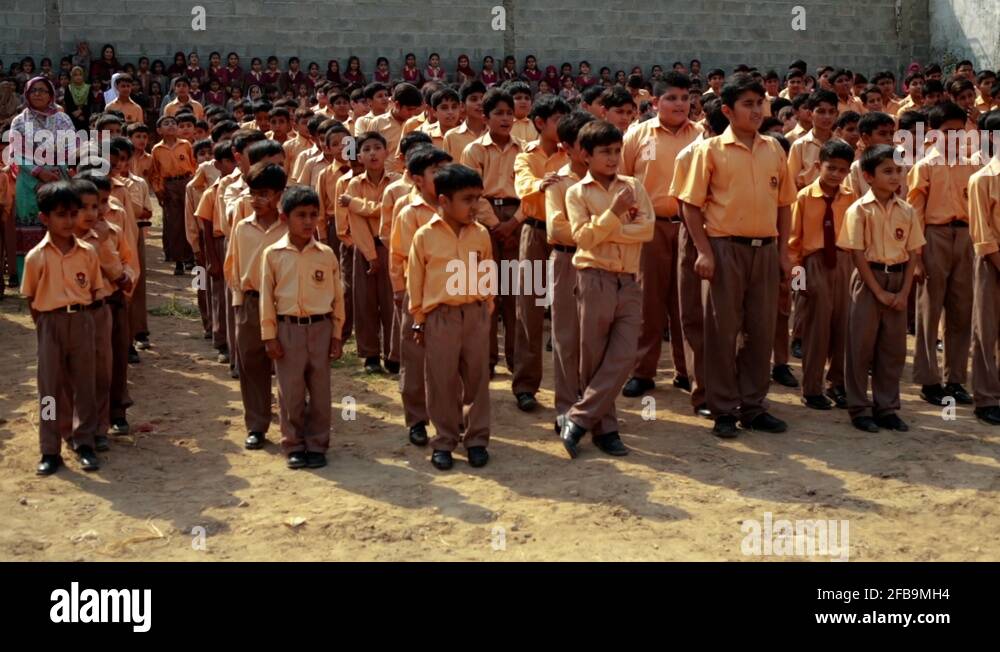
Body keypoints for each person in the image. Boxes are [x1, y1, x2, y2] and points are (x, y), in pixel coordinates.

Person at [677, 73, 797, 438]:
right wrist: (703, 251)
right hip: (724, 247)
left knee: (760, 331)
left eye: (760, 102)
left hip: (765, 249)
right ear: (727, 110)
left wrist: (785, 252)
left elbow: (785, 204)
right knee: (721, 331)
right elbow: (690, 205)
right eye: (747, 104)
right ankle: (722, 407)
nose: (757, 109)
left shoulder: (775, 148)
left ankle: (754, 406)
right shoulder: (708, 151)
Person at [559, 120, 654, 458]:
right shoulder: (576, 192)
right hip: (593, 276)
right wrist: (615, 214)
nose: (613, 158)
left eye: (617, 151)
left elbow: (647, 231)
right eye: (605, 152)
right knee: (594, 357)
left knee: (625, 354)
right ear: (586, 155)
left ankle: (579, 418)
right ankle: (606, 429)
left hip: (628, 278)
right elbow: (581, 238)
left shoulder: (633, 186)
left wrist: (605, 229)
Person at [620, 72, 702, 399]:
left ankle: (687, 372)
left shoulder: (701, 136)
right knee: (648, 303)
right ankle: (643, 371)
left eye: (685, 98)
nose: (680, 104)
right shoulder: (637, 135)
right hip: (650, 228)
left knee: (687, 302)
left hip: (690, 228)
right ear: (654, 102)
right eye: (671, 98)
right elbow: (623, 180)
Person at [407, 164, 494, 470]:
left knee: (477, 379)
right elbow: (414, 281)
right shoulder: (424, 236)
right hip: (439, 317)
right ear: (444, 201)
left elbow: (488, 272)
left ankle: (477, 439)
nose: (475, 206)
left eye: (478, 199)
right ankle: (444, 440)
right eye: (467, 199)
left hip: (475, 314)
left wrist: (486, 311)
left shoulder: (481, 234)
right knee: (441, 380)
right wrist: (419, 317)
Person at [838, 144, 924, 432]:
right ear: (868, 176)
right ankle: (859, 407)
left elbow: (914, 253)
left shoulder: (907, 211)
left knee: (892, 349)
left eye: (898, 171)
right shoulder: (858, 210)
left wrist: (903, 292)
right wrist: (878, 291)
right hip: (869, 280)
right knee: (860, 346)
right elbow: (857, 254)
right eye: (887, 171)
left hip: (898, 280)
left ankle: (887, 407)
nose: (895, 176)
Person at [21, 181, 104, 475]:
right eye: (60, 215)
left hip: (81, 321)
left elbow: (94, 290)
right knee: (49, 391)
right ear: (45, 218)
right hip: (50, 323)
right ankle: (50, 448)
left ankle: (85, 443)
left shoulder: (87, 253)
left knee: (84, 384)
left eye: (72, 213)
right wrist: (45, 326)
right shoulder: (36, 257)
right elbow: (31, 298)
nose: (69, 221)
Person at [260, 186, 345, 469]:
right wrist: (269, 335)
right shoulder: (273, 254)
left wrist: (336, 333)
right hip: (288, 329)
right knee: (291, 391)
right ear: (284, 218)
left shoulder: (326, 255)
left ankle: (318, 444)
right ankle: (294, 444)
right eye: (301, 215)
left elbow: (338, 298)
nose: (308, 222)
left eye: (313, 215)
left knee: (320, 391)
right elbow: (267, 298)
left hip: (320, 327)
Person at [908, 101, 980, 407]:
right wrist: (917, 257)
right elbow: (914, 214)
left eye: (958, 131)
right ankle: (929, 379)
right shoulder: (924, 167)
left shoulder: (972, 166)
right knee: (930, 309)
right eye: (947, 132)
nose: (954, 138)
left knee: (962, 310)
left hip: (965, 236)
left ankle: (955, 379)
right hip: (934, 236)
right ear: (933, 134)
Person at [510, 94, 571, 410]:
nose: (564, 126)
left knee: (566, 312)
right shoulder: (525, 156)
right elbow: (524, 187)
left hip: (566, 237)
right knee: (529, 311)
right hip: (535, 232)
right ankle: (525, 385)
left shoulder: (572, 153)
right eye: (558, 120)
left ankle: (570, 389)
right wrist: (542, 183)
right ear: (540, 123)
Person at [390, 146, 453, 446]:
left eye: (445, 169)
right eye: (435, 172)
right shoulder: (409, 212)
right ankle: (416, 419)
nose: (442, 177)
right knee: (415, 359)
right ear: (417, 179)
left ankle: (449, 416)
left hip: (451, 293)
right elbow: (398, 255)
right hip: (418, 294)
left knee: (450, 358)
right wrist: (400, 291)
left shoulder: (455, 205)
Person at [789, 139, 856, 409]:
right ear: (818, 166)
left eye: (842, 170)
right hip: (814, 262)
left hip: (844, 261)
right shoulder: (804, 197)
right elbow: (794, 241)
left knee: (843, 327)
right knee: (817, 328)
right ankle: (812, 387)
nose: (836, 175)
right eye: (831, 168)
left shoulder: (851, 198)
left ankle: (837, 384)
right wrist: (798, 279)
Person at [461, 88, 522, 375]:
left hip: (519, 219)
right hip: (484, 222)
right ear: (485, 118)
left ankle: (517, 358)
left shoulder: (524, 149)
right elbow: (472, 194)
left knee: (517, 293)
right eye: (498, 113)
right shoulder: (473, 150)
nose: (506, 118)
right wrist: (496, 225)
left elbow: (531, 192)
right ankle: (486, 359)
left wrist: (514, 222)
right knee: (487, 294)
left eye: (509, 113)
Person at [545, 110, 595, 430]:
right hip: (567, 260)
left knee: (595, 338)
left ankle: (591, 406)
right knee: (565, 335)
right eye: (583, 145)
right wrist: (600, 229)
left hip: (601, 263)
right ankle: (565, 406)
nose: (590, 151)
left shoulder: (609, 181)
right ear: (567, 147)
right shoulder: (558, 183)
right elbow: (557, 229)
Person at [340, 131, 400, 373]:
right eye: (366, 149)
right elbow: (357, 222)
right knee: (365, 303)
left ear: (387, 152)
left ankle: (394, 353)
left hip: (392, 244)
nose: (372, 153)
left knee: (391, 301)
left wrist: (356, 204)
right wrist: (370, 255)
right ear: (359, 157)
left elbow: (391, 212)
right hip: (364, 248)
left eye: (377, 147)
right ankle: (370, 355)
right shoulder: (354, 184)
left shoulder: (396, 183)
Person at [9, 77, 76, 279]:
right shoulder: (20, 121)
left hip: (59, 177)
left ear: (51, 94)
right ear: (27, 94)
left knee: (59, 224)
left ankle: (59, 276)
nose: (38, 94)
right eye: (33, 90)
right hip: (29, 181)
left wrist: (57, 169)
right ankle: (30, 279)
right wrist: (40, 171)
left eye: (43, 90)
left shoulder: (63, 119)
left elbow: (72, 148)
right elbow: (16, 153)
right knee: (30, 226)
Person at [968, 112, 1000, 425]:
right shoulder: (982, 179)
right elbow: (983, 233)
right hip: (992, 263)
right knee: (986, 330)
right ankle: (986, 397)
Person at [151, 114, 197, 273]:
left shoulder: (186, 145)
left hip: (186, 182)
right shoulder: (157, 149)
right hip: (169, 186)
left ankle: (190, 258)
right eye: (166, 123)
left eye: (173, 123)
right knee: (174, 224)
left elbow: (194, 165)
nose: (170, 125)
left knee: (189, 221)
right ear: (159, 130)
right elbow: (155, 173)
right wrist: (158, 191)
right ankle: (178, 261)